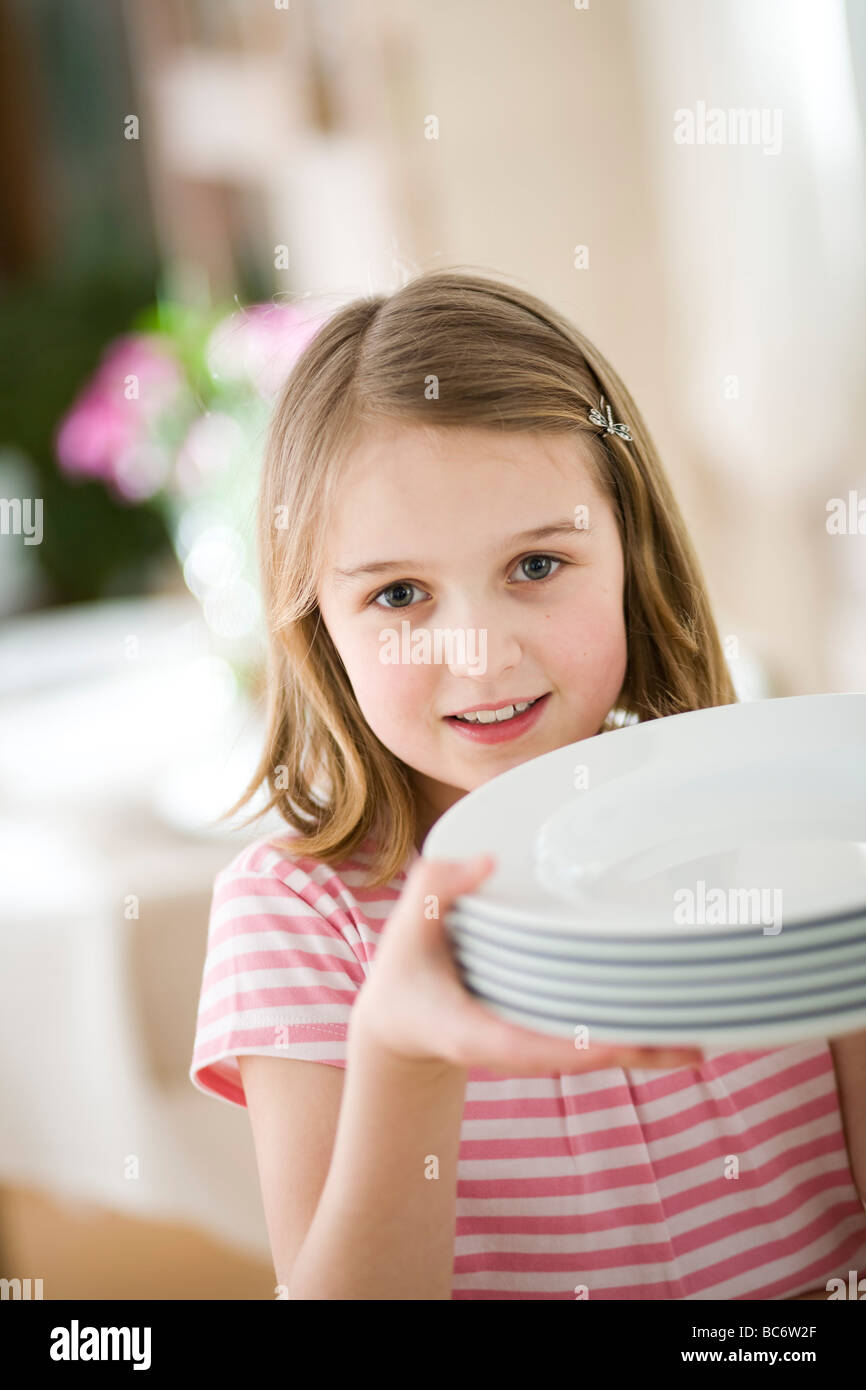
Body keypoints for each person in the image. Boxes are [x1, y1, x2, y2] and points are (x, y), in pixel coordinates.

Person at [189, 269, 866, 1300]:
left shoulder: (779, 825)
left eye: (537, 566)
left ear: (629, 555)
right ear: (314, 623)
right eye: (400, 593)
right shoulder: (296, 918)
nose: (481, 654)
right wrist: (402, 1055)